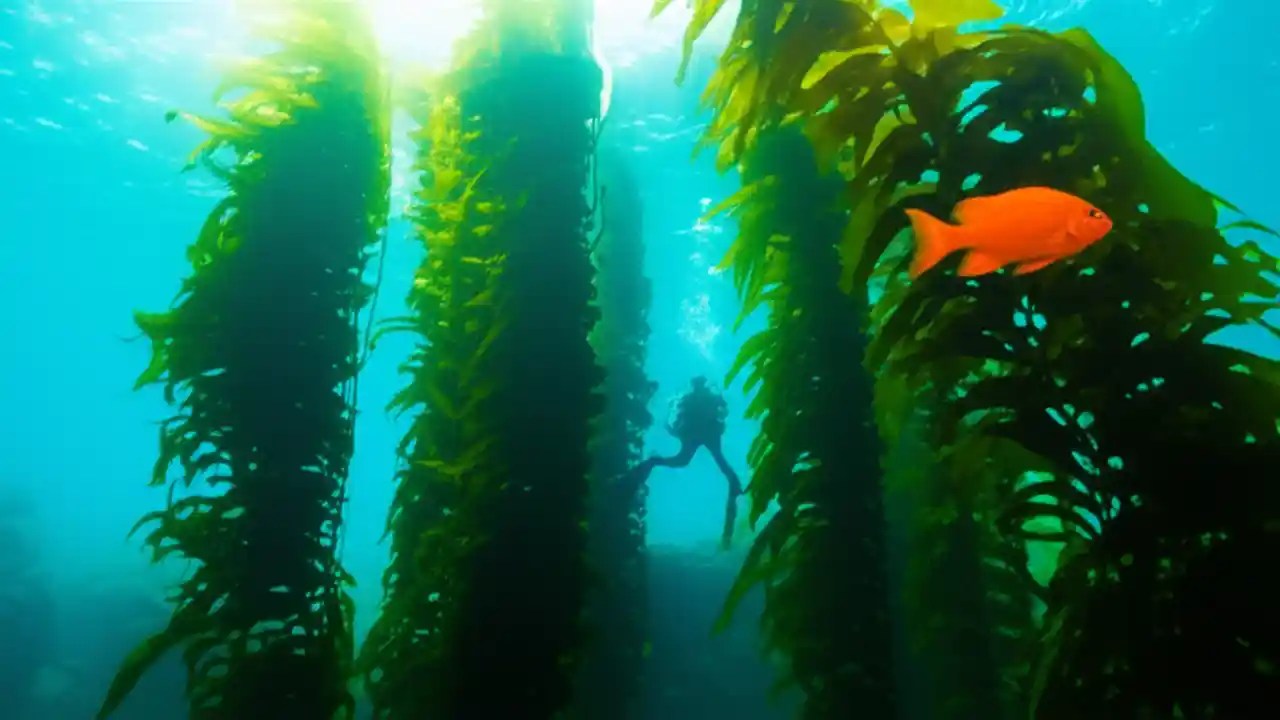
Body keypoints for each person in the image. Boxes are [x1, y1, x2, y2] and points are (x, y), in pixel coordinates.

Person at [625, 376, 743, 548]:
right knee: (693, 462)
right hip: (706, 434)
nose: (700, 387)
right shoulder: (708, 397)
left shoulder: (692, 398)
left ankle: (652, 463)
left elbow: (716, 412)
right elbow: (723, 412)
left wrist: (675, 429)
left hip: (699, 434)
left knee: (684, 461)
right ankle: (728, 529)